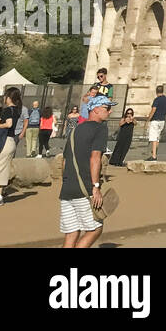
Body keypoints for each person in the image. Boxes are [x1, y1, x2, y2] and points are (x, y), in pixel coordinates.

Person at [60, 94, 113, 246]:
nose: (109, 112)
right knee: (95, 229)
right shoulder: (100, 129)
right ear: (95, 109)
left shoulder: (76, 129)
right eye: (107, 108)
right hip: (85, 188)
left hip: (67, 188)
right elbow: (95, 158)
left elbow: (64, 161)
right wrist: (95, 187)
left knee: (71, 232)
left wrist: (67, 181)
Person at [0, 86, 20, 204]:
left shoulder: (8, 110)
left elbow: (8, 124)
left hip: (4, 141)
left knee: (0, 168)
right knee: (3, 168)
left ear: (9, 97)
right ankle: (1, 194)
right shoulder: (16, 110)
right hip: (10, 141)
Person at [146, 85, 166, 160]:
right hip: (162, 120)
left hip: (155, 120)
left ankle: (154, 156)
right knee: (157, 138)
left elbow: (153, 110)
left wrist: (148, 119)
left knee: (153, 138)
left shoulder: (157, 100)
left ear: (156, 91)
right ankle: (154, 153)